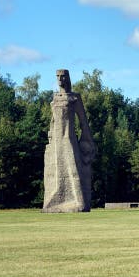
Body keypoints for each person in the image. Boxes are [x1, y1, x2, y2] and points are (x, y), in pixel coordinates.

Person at [42, 69, 96, 213]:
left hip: (68, 139)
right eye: (58, 76)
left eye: (63, 76)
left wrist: (87, 139)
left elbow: (83, 121)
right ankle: (55, 201)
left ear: (68, 78)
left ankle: (79, 201)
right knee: (57, 170)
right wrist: (50, 136)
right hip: (56, 141)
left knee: (72, 169)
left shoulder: (74, 98)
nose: (60, 79)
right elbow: (53, 120)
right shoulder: (55, 98)